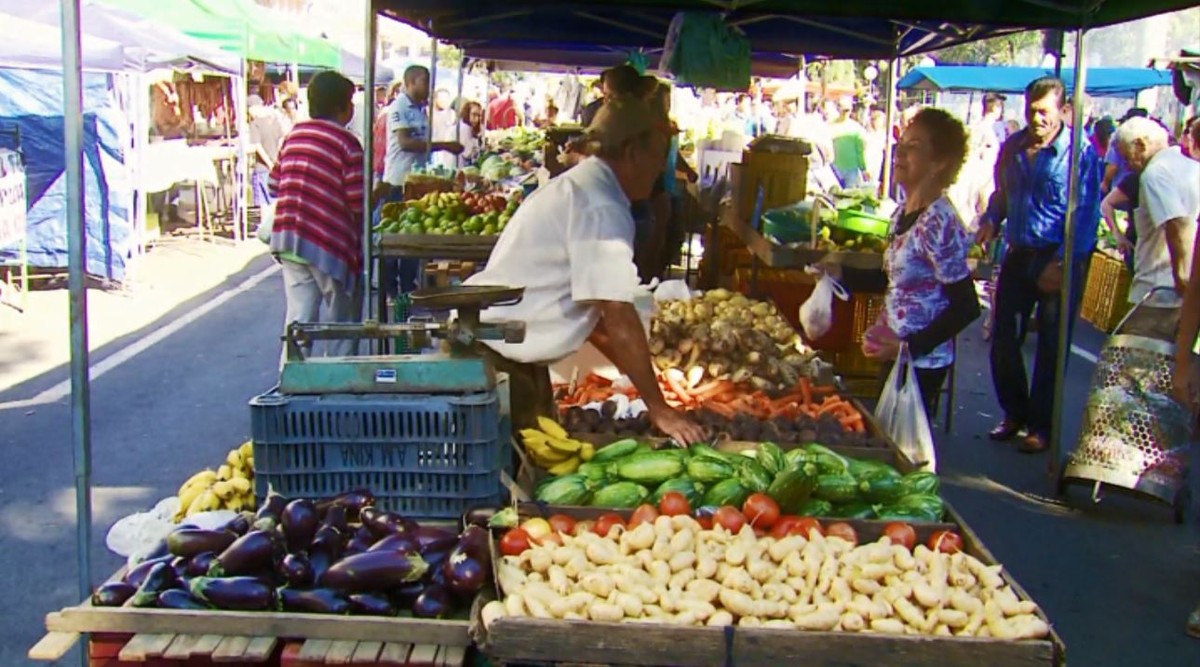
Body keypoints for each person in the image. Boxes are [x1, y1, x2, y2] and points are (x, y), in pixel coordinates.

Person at [464, 98, 706, 445]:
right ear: (634, 152)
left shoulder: (585, 187)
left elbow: (596, 311)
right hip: (497, 365)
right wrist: (659, 407)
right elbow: (617, 313)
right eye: (659, 156)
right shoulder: (600, 205)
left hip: (505, 356)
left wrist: (642, 375)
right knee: (512, 481)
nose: (660, 171)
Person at [976, 76, 1104, 454]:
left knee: (1051, 344)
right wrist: (991, 219)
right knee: (1003, 334)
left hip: (1058, 255)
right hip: (1019, 250)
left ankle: (1041, 426)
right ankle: (1014, 411)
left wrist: (1063, 263)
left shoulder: (1079, 153)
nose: (1038, 119)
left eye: (1045, 112)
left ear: (1063, 110)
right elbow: (1003, 192)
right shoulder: (1014, 147)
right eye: (1032, 111)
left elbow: (1086, 214)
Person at [858, 109, 981, 417]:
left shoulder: (940, 222)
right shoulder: (902, 213)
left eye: (913, 146)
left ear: (939, 163)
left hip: (922, 363)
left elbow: (966, 306)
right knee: (888, 440)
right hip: (896, 352)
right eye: (902, 143)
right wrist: (835, 273)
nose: (900, 152)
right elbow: (891, 279)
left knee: (906, 451)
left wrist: (908, 347)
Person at [267, 71, 364, 362]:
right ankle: (339, 379)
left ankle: (291, 378)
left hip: (289, 239)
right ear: (341, 108)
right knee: (342, 321)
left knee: (299, 320)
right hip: (329, 243)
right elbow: (357, 203)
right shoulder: (347, 143)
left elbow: (274, 184)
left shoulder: (294, 135)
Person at [1113, 117, 1200, 341]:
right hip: (1176, 294)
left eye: (1126, 157)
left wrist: (1182, 278)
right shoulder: (1186, 164)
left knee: (1140, 366)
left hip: (1158, 293)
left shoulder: (1154, 173)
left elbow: (1178, 222)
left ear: (1141, 145)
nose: (1127, 165)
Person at [383, 65, 463, 189]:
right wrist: (444, 146)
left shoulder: (420, 109)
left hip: (416, 179)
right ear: (411, 82)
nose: (430, 87)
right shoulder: (400, 106)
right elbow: (405, 143)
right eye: (425, 82)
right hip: (399, 181)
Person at [247, 95, 285, 208]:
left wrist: (269, 163)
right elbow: (281, 141)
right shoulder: (275, 122)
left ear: (252, 108)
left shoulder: (255, 125)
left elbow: (257, 147)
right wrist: (276, 161)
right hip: (277, 168)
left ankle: (266, 226)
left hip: (262, 168)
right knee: (276, 204)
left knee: (264, 206)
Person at [829, 97, 868, 187]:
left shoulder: (856, 127)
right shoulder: (830, 126)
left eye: (848, 110)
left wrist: (863, 168)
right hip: (835, 168)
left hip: (852, 169)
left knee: (850, 196)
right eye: (844, 110)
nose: (845, 113)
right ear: (838, 109)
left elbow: (860, 150)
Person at [456, 100, 485, 166]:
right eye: (474, 114)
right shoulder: (464, 128)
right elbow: (468, 154)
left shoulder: (468, 128)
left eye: (479, 116)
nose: (477, 119)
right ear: (467, 113)